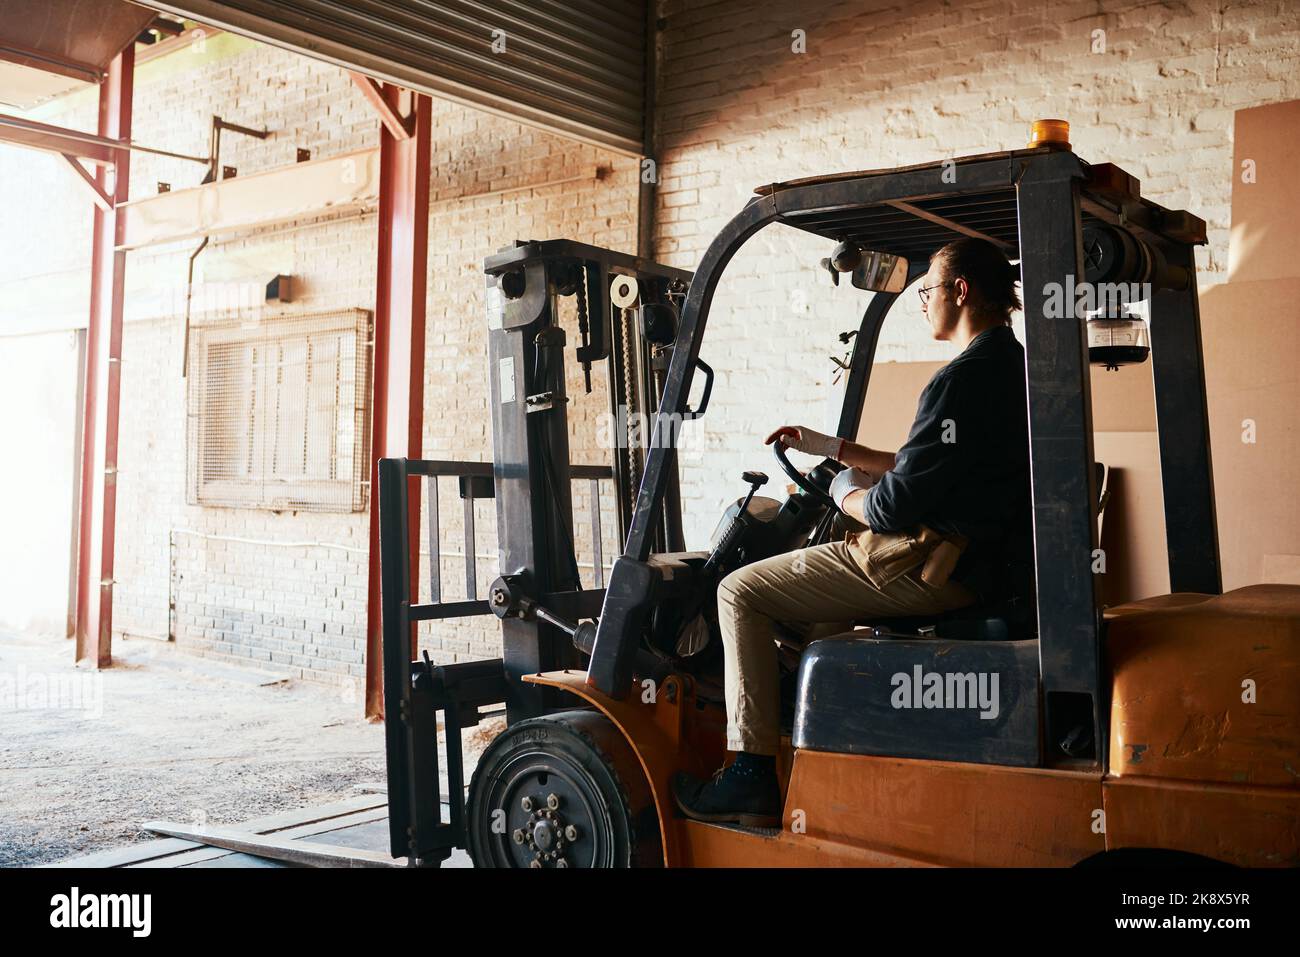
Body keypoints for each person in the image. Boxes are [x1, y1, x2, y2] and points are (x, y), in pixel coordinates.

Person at [672, 237, 1032, 827]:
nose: (922, 304)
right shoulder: (1010, 367)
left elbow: (890, 510)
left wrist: (842, 489)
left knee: (738, 591)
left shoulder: (960, 380)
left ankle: (749, 772)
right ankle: (806, 725)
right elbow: (928, 466)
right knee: (818, 614)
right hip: (985, 563)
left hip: (931, 567)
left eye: (927, 291)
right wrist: (831, 449)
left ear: (960, 292)